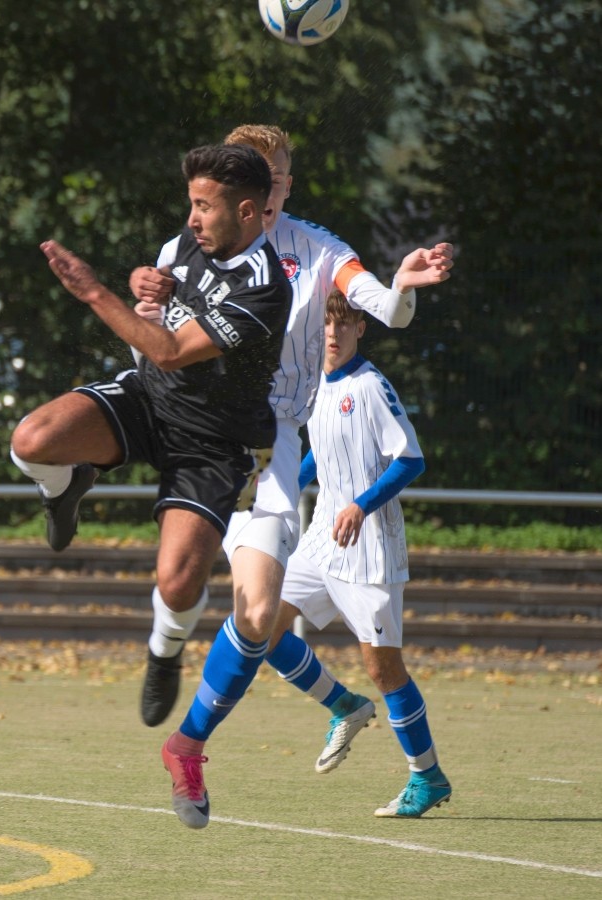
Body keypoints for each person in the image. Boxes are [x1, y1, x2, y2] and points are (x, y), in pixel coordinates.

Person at [127, 123, 454, 729]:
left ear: (284, 185)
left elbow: (382, 306)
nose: (265, 191)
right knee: (216, 591)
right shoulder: (189, 244)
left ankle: (197, 737)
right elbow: (155, 327)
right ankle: (172, 667)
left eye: (275, 178)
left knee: (257, 611)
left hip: (267, 439)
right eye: (252, 176)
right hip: (193, 420)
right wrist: (143, 296)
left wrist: (403, 286)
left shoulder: (318, 250)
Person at [8, 143, 293, 744]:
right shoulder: (197, 238)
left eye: (203, 206)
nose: (191, 218)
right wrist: (145, 281)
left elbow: (169, 348)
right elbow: (161, 304)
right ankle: (66, 487)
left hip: (213, 444)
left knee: (177, 583)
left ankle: (164, 653)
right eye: (190, 203)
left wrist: (94, 291)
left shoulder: (266, 286)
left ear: (247, 212)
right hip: (148, 398)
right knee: (32, 441)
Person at [259, 290, 446, 819]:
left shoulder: (370, 386)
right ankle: (344, 706)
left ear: (361, 327)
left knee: (383, 669)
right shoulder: (316, 380)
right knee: (262, 629)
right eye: (325, 326)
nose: (333, 335)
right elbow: (325, 445)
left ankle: (427, 777)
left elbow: (410, 460)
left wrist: (361, 506)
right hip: (322, 541)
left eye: (343, 324)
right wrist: (286, 483)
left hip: (370, 549)